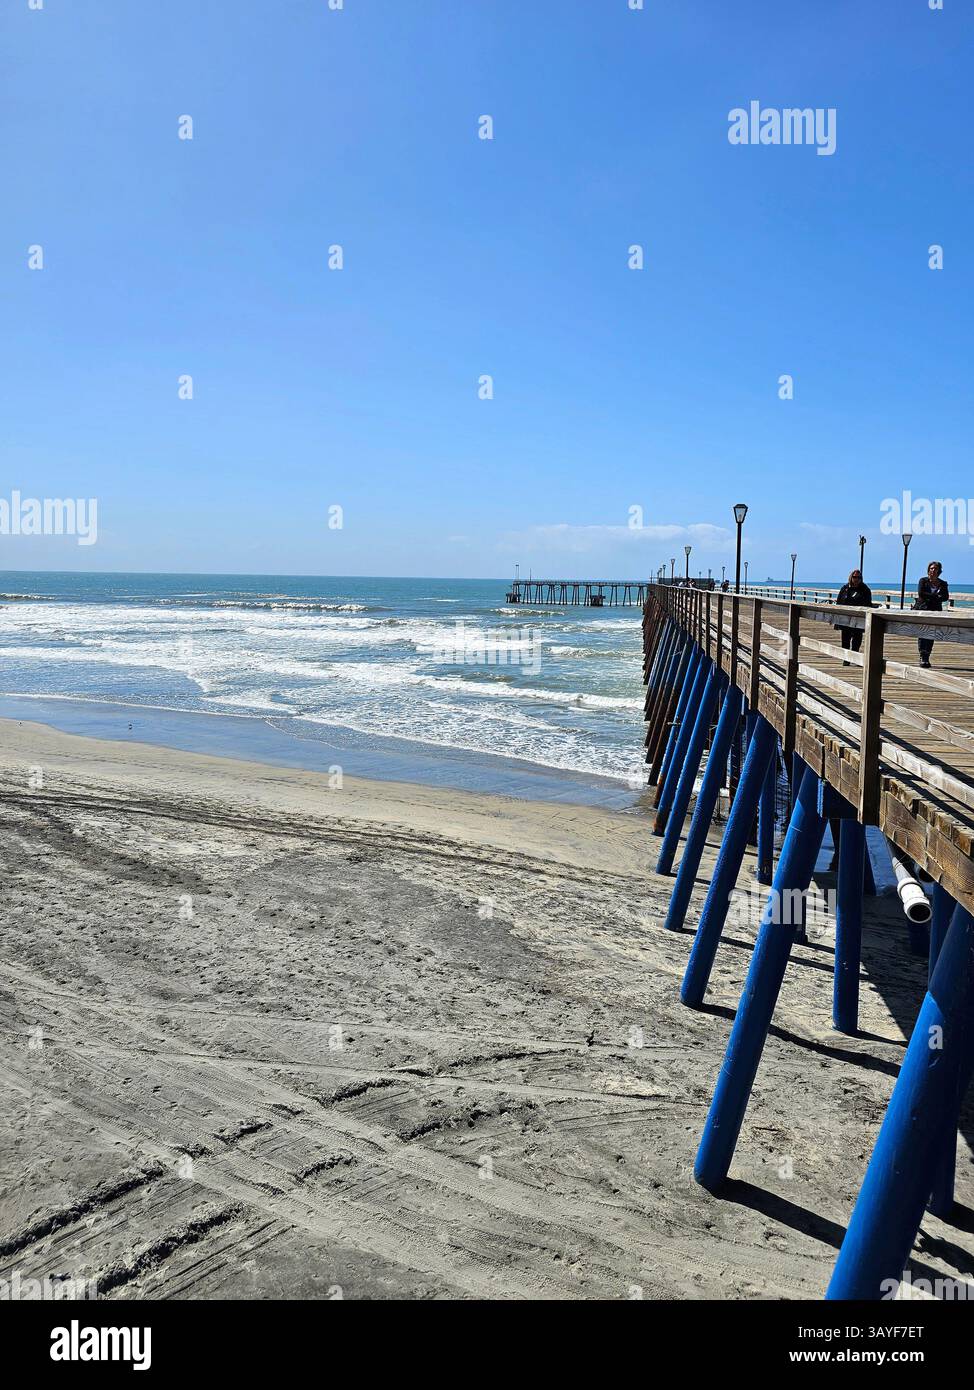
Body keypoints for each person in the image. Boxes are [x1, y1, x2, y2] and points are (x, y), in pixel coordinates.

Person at [915, 561, 949, 668]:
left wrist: (932, 596)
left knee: (931, 634)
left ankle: (927, 656)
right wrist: (936, 596)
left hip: (935, 611)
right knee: (923, 633)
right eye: (931, 568)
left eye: (935, 569)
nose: (933, 570)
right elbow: (921, 594)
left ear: (939, 571)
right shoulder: (923, 581)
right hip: (923, 610)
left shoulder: (943, 583)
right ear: (928, 570)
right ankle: (922, 656)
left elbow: (945, 597)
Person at [833, 568, 873, 660]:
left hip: (859, 619)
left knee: (857, 639)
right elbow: (839, 603)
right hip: (845, 618)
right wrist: (837, 620)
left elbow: (868, 604)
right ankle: (846, 659)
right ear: (851, 577)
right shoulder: (845, 588)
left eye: (859, 577)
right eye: (855, 577)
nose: (857, 579)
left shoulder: (865, 589)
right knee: (845, 639)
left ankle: (854, 658)